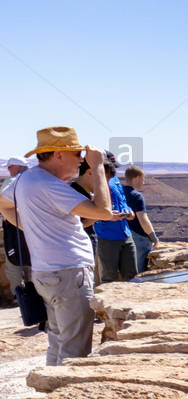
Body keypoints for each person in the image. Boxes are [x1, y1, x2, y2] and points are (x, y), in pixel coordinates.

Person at [0, 127, 130, 365]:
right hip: (70, 273)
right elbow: (102, 211)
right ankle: (65, 398)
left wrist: (30, 225)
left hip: (45, 273)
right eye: (77, 154)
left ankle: (49, 395)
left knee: (58, 339)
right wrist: (98, 167)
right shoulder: (50, 186)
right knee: (75, 346)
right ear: (58, 154)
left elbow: (3, 203)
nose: (82, 160)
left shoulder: (24, 180)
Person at [93, 153, 136, 282]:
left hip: (125, 233)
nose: (114, 171)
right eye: (111, 168)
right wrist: (108, 217)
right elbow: (91, 209)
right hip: (107, 236)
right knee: (109, 277)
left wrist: (129, 212)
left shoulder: (115, 180)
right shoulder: (97, 183)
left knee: (132, 276)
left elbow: (122, 200)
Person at [121, 166, 159, 274]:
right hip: (139, 237)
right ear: (136, 178)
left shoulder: (119, 194)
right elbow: (143, 219)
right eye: (142, 179)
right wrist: (153, 237)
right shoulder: (136, 196)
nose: (143, 182)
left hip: (123, 235)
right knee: (138, 270)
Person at [1, 158, 28, 301]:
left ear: (17, 167)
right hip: (31, 224)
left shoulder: (10, 183)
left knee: (13, 263)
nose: (9, 170)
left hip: (13, 226)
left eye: (10, 167)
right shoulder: (32, 180)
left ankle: (19, 296)